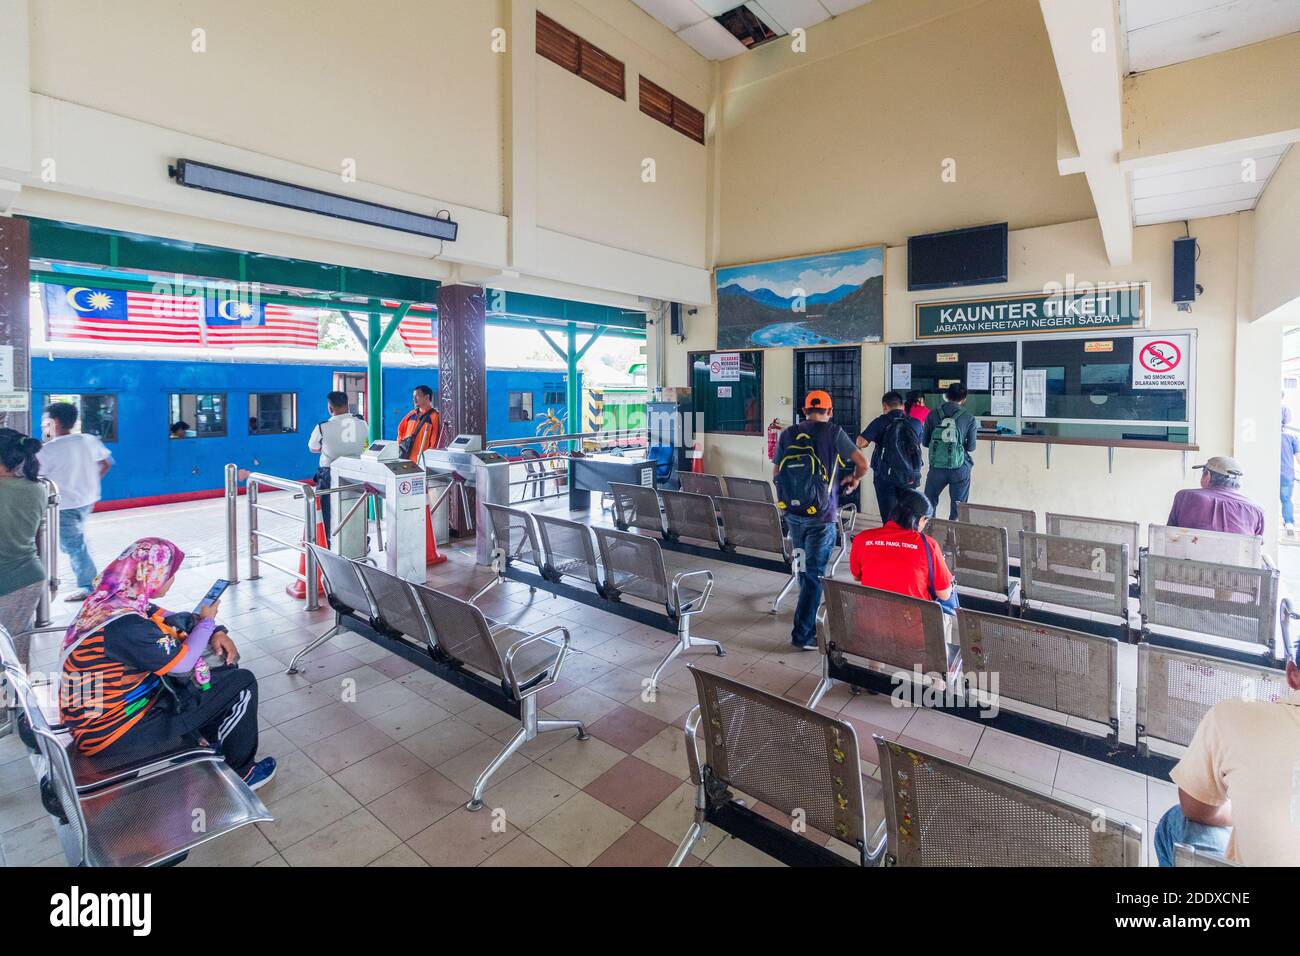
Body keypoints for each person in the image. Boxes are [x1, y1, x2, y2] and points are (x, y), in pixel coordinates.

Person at [59, 537, 276, 789]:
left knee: (209, 672)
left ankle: (203, 740)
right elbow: (182, 663)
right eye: (169, 574)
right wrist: (206, 623)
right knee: (240, 681)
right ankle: (243, 773)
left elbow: (171, 618)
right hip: (115, 732)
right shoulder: (127, 626)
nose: (172, 580)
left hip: (96, 717)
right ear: (151, 575)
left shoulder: (113, 600)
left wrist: (214, 629)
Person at [1154, 638, 1300, 866]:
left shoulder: (1233, 715)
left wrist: (1247, 813)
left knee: (1175, 821)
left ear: (1292, 673)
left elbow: (1195, 808)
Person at [773, 390, 868, 650]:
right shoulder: (834, 433)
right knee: (814, 574)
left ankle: (805, 613)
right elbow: (863, 463)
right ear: (830, 411)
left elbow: (776, 472)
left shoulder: (788, 434)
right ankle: (802, 635)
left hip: (794, 516)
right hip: (822, 517)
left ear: (804, 410)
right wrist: (854, 479)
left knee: (805, 568)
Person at [38, 402, 113, 601]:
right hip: (88, 500)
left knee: (74, 546)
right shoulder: (88, 440)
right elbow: (106, 463)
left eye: (46, 421)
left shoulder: (48, 449)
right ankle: (89, 582)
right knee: (76, 542)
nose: (44, 425)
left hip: (65, 506)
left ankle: (89, 586)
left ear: (56, 422)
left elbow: (33, 477)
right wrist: (89, 482)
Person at [848, 490, 956, 612]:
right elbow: (944, 594)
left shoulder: (862, 539)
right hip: (914, 626)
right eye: (926, 521)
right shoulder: (928, 545)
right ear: (920, 519)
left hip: (871, 621)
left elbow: (857, 577)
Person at [0, 430, 49, 666]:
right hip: (27, 580)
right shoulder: (38, 488)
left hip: (7, 581)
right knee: (15, 652)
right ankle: (15, 700)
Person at [858, 390, 924, 522]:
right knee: (907, 515)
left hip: (885, 477)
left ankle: (890, 539)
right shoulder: (915, 423)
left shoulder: (881, 421)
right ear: (902, 405)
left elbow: (861, 442)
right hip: (909, 476)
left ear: (885, 407)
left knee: (889, 516)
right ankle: (905, 540)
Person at [307, 391, 366, 536]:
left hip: (329, 473)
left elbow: (313, 448)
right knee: (355, 505)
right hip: (355, 471)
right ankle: (359, 538)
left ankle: (327, 539)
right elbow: (365, 441)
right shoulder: (362, 423)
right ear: (347, 405)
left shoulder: (323, 427)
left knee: (327, 509)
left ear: (330, 408)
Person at [1167, 456, 1265, 537]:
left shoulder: (1185, 496)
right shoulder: (1256, 509)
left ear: (1208, 476)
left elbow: (1169, 535)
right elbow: (1255, 546)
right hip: (1235, 561)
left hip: (1187, 560)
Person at [922, 383, 977, 520]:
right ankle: (952, 537)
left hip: (937, 468)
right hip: (959, 468)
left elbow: (925, 442)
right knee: (958, 507)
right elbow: (971, 447)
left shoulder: (933, 414)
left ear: (946, 396)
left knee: (929, 503)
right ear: (964, 398)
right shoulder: (969, 417)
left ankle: (929, 533)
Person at [396, 385, 441, 463]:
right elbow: (400, 431)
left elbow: (434, 442)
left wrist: (428, 459)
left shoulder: (434, 417)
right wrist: (402, 447)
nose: (414, 399)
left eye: (417, 396)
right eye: (413, 396)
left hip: (421, 462)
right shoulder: (411, 415)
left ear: (427, 397)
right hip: (406, 460)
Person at [1281, 409, 1300, 537]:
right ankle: (1289, 523)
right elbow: (1298, 458)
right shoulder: (1292, 437)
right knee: (1286, 500)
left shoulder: (1268, 436)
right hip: (1287, 474)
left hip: (1271, 474)